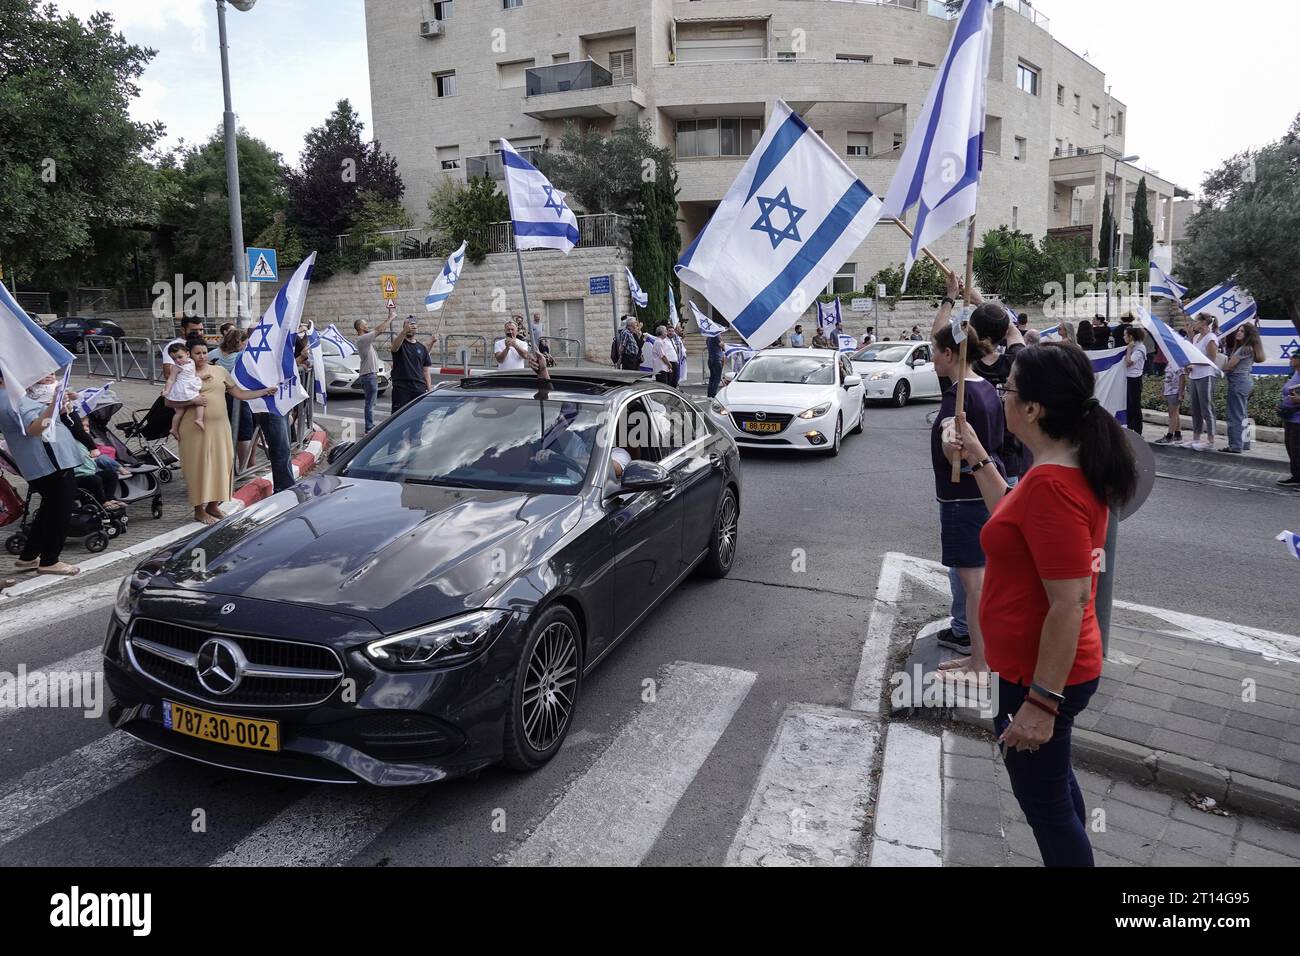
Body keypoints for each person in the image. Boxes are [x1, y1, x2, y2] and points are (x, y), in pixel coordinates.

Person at [946, 342, 1138, 867]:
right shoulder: (1057, 468)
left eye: (1007, 389)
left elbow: (1071, 600)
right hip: (1041, 671)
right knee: (1054, 790)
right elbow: (1015, 514)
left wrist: (1042, 702)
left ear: (1032, 409)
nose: (1001, 397)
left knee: (1046, 806)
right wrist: (979, 456)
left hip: (1042, 676)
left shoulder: (1053, 483)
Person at [930, 322, 1004, 675]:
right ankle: (981, 654)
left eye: (935, 350)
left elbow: (951, 435)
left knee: (974, 586)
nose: (931, 358)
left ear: (948, 354)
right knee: (979, 582)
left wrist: (949, 443)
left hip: (963, 500)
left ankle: (979, 662)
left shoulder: (959, 397)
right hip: (984, 495)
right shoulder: (986, 387)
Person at [170, 342, 276, 524]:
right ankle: (198, 510)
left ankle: (213, 505)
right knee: (198, 467)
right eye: (197, 353)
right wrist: (193, 401)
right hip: (194, 428)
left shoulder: (219, 370)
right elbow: (169, 403)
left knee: (221, 464)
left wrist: (264, 392)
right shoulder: (183, 372)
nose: (202, 356)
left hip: (221, 427)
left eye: (204, 352)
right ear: (189, 354)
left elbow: (240, 394)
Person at [0, 375, 88, 576]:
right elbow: (37, 428)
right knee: (60, 511)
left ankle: (29, 556)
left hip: (41, 463)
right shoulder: (13, 398)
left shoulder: (8, 396)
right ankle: (50, 560)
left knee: (50, 508)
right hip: (50, 462)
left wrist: (57, 403)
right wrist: (54, 403)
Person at [1222, 323, 1264, 454]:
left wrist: (1220, 365)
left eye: (1242, 331)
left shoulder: (1243, 349)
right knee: (1243, 414)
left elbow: (1229, 366)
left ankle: (1235, 445)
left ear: (1248, 335)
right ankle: (1245, 444)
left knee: (1235, 415)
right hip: (1245, 381)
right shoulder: (1251, 349)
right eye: (1238, 331)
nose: (1238, 333)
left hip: (1238, 382)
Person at [354, 306, 396, 432]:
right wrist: (390, 318)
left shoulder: (364, 340)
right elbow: (379, 330)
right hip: (369, 375)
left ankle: (369, 426)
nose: (368, 326)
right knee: (370, 404)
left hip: (369, 375)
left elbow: (376, 329)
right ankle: (369, 427)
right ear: (361, 327)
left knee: (370, 403)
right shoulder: (363, 339)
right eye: (365, 325)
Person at [1184, 313, 1219, 450]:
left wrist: (1195, 364)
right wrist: (1189, 365)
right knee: (1196, 408)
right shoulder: (1197, 337)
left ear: (1204, 323)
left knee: (1207, 408)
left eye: (1196, 321)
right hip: (1194, 376)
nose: (1194, 324)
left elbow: (1211, 360)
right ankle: (1196, 437)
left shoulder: (1211, 338)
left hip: (1206, 376)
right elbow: (1192, 354)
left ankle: (1210, 439)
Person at [391, 317, 436, 412]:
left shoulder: (421, 347)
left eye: (413, 324)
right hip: (402, 388)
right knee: (399, 416)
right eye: (408, 324)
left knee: (418, 416)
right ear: (404, 327)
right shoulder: (400, 343)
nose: (411, 326)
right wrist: (404, 332)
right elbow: (394, 348)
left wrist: (429, 389)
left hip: (419, 388)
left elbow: (425, 370)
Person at [164, 342, 206, 439]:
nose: (177, 360)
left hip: (189, 384)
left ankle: (174, 428)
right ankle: (198, 419)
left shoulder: (191, 362)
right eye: (174, 359)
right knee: (199, 401)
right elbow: (171, 379)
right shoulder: (176, 367)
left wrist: (202, 377)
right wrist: (167, 390)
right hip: (182, 389)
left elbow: (193, 374)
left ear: (187, 354)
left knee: (181, 411)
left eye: (180, 357)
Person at [1154, 346, 1185, 446]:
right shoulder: (1170, 363)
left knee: (1172, 414)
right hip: (1169, 391)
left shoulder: (1178, 363)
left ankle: (1169, 436)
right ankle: (1177, 434)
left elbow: (1182, 378)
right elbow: (1166, 378)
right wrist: (1163, 391)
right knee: (1175, 413)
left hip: (1174, 391)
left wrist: (1180, 393)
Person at [1279, 351, 1300, 487]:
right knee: (1291, 447)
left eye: (1294, 356)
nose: (1290, 358)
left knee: (1297, 448)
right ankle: (1296, 476)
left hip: (1298, 419)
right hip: (1290, 416)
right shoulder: (1296, 373)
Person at [1122, 325, 1147, 435]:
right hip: (1129, 378)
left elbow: (1128, 362)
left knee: (1135, 406)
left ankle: (1138, 431)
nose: (1124, 337)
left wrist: (1129, 349)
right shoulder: (1135, 346)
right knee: (1129, 405)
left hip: (1135, 379)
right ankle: (1130, 428)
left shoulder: (1139, 348)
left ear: (1131, 337)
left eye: (1125, 335)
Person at [706, 333, 725, 398]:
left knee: (712, 377)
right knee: (717, 378)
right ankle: (713, 395)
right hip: (717, 359)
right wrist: (723, 342)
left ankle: (709, 394)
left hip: (711, 359)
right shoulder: (716, 335)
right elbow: (721, 345)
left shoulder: (709, 336)